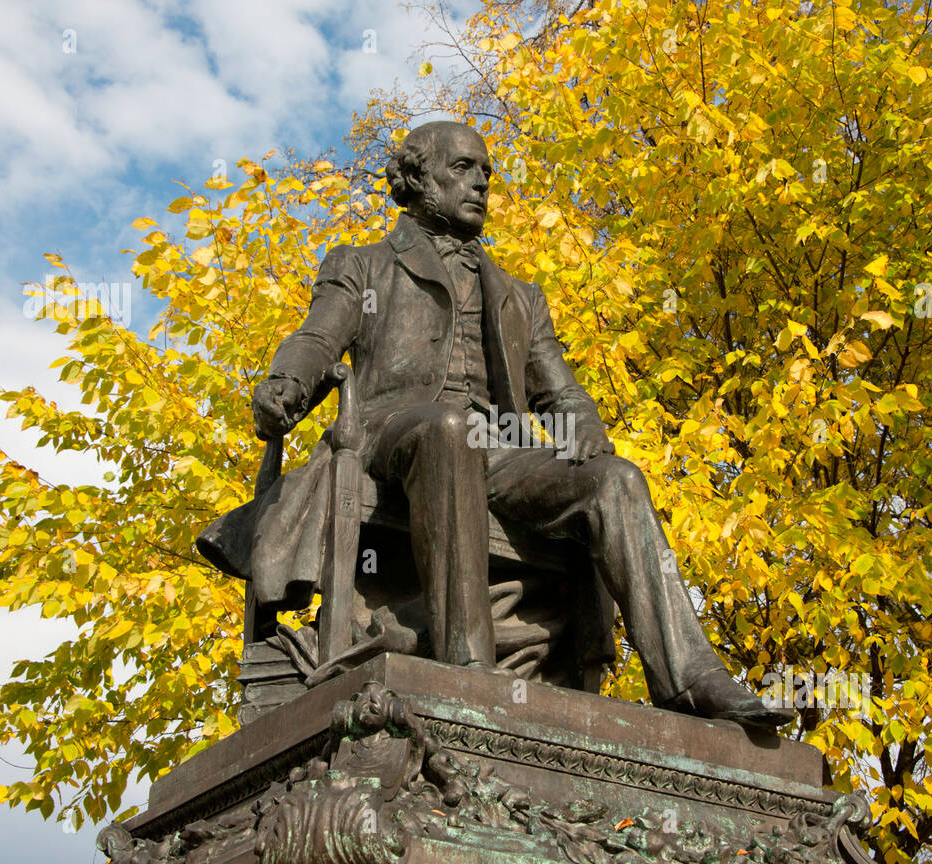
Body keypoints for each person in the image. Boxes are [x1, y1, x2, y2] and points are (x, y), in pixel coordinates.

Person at [248, 121, 791, 728]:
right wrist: (285, 386)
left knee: (616, 480)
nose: (481, 181)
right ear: (418, 178)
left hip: (497, 451)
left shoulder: (518, 296)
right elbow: (317, 337)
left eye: (487, 171)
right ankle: (468, 667)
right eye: (463, 168)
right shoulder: (365, 265)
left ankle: (691, 678)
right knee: (447, 429)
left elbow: (561, 393)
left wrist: (583, 427)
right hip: (395, 433)